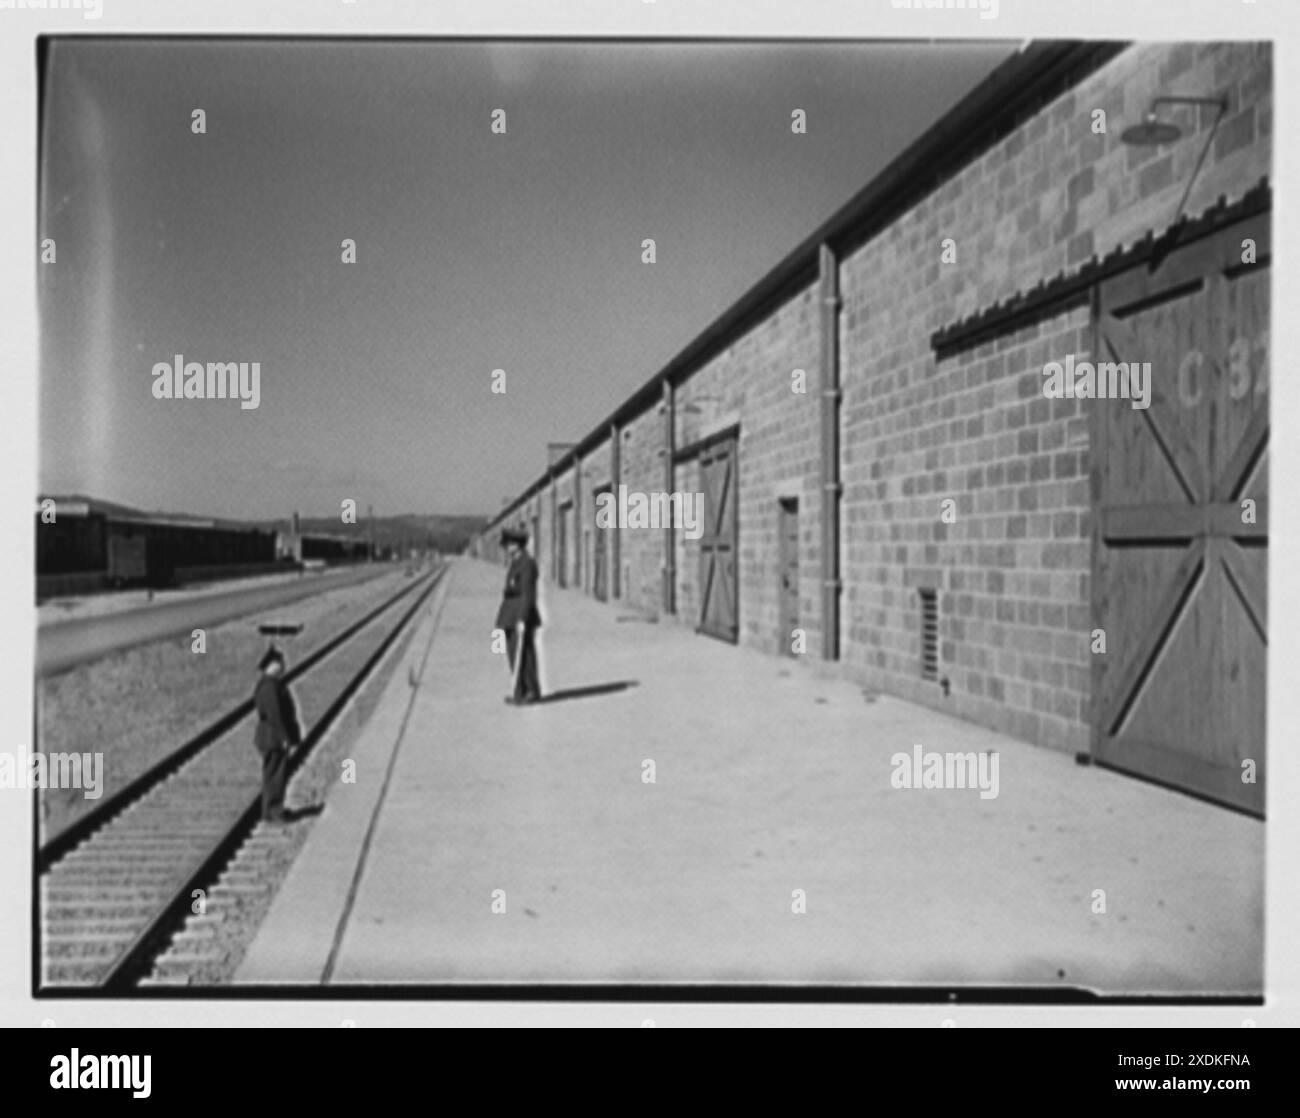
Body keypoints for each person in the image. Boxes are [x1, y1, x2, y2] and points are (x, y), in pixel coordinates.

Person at [253, 645, 302, 822]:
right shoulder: (270, 687)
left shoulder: (270, 684)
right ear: (272, 665)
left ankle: (271, 810)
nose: (283, 666)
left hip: (270, 736)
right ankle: (274, 811)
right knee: (276, 775)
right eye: (280, 663)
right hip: (272, 737)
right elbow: (276, 715)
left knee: (273, 773)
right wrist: (284, 738)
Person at [495, 527, 542, 705]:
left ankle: (529, 691)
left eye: (509, 544)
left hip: (520, 616)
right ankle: (518, 690)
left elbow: (528, 594)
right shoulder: (515, 562)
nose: (506, 548)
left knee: (524, 654)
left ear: (517, 545)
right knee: (512, 653)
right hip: (508, 615)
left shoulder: (527, 563)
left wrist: (522, 619)